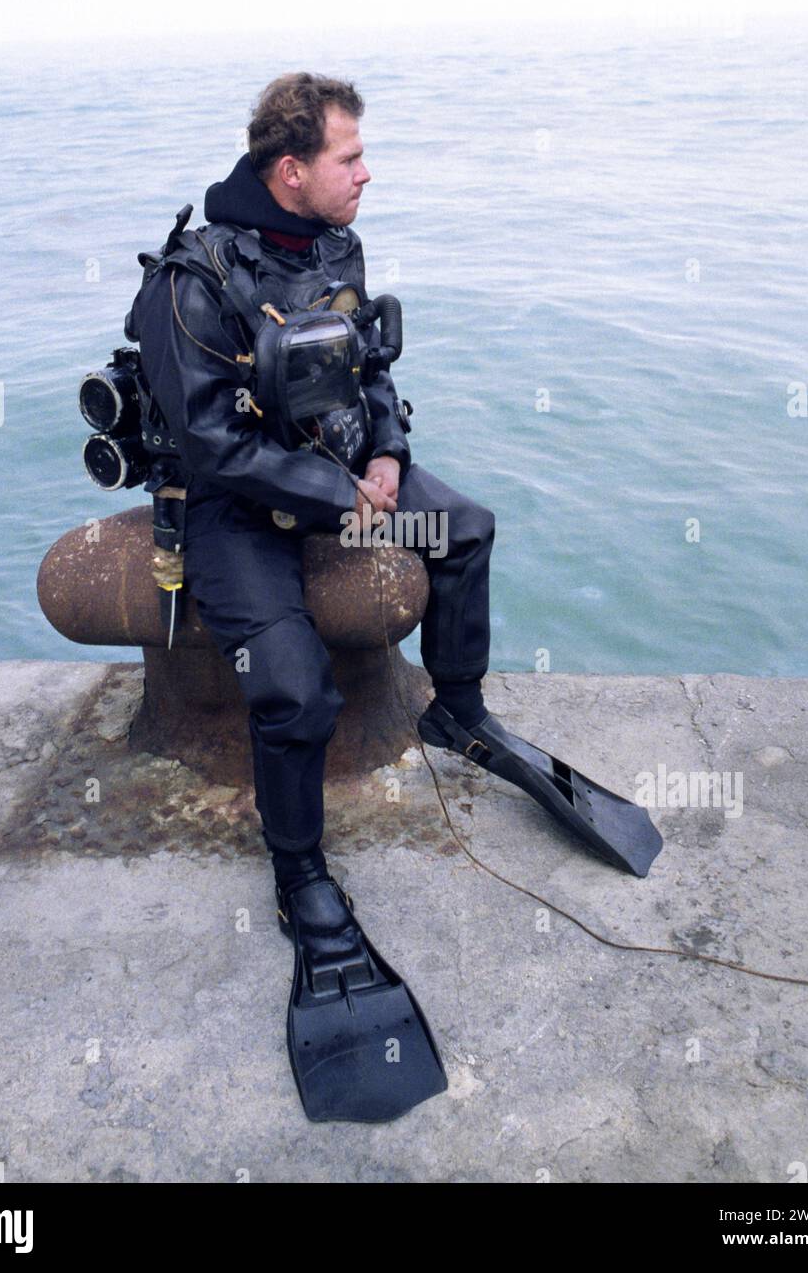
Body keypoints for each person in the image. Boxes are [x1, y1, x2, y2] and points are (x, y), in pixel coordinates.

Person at [129, 73, 661, 1124]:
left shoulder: (334, 248)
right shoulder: (191, 283)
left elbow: (370, 369)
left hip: (344, 485)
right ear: (290, 171)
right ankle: (299, 876)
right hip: (238, 515)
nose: (367, 173)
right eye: (349, 158)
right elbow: (213, 445)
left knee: (462, 530)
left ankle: (454, 710)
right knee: (290, 691)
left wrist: (383, 455)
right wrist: (341, 494)